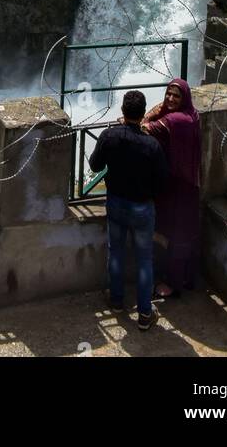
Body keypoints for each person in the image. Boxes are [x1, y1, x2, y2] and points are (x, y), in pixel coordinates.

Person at [89, 89, 169, 330]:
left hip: (116, 203)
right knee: (145, 259)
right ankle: (145, 313)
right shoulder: (152, 145)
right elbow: (162, 179)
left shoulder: (109, 136)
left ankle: (116, 301)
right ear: (143, 113)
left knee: (116, 252)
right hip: (143, 207)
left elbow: (95, 165)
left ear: (122, 111)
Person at [143, 77, 202, 298]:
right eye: (168, 94)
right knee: (185, 232)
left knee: (174, 234)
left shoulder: (174, 121)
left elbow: (141, 126)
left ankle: (173, 284)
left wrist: (153, 111)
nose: (170, 98)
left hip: (175, 186)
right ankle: (186, 278)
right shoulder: (193, 116)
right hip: (189, 183)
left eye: (176, 96)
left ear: (184, 97)